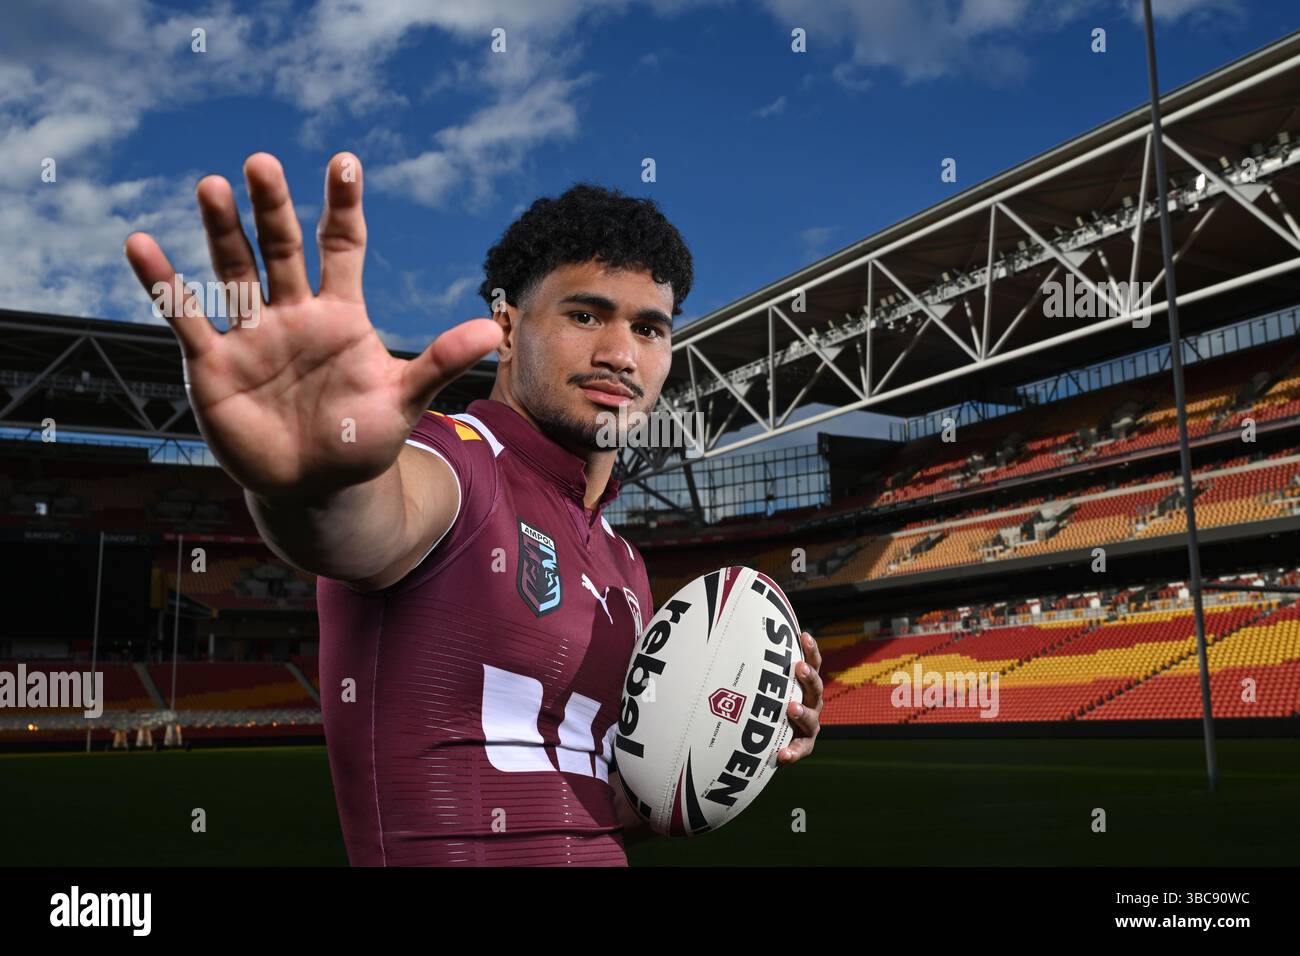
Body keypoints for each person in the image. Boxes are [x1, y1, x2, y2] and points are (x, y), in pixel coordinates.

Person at [124, 152, 824, 866]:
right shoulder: (452, 462)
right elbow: (356, 522)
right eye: (586, 314)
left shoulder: (627, 567)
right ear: (508, 326)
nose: (621, 354)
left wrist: (737, 747)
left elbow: (600, 804)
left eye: (650, 329)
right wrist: (309, 479)